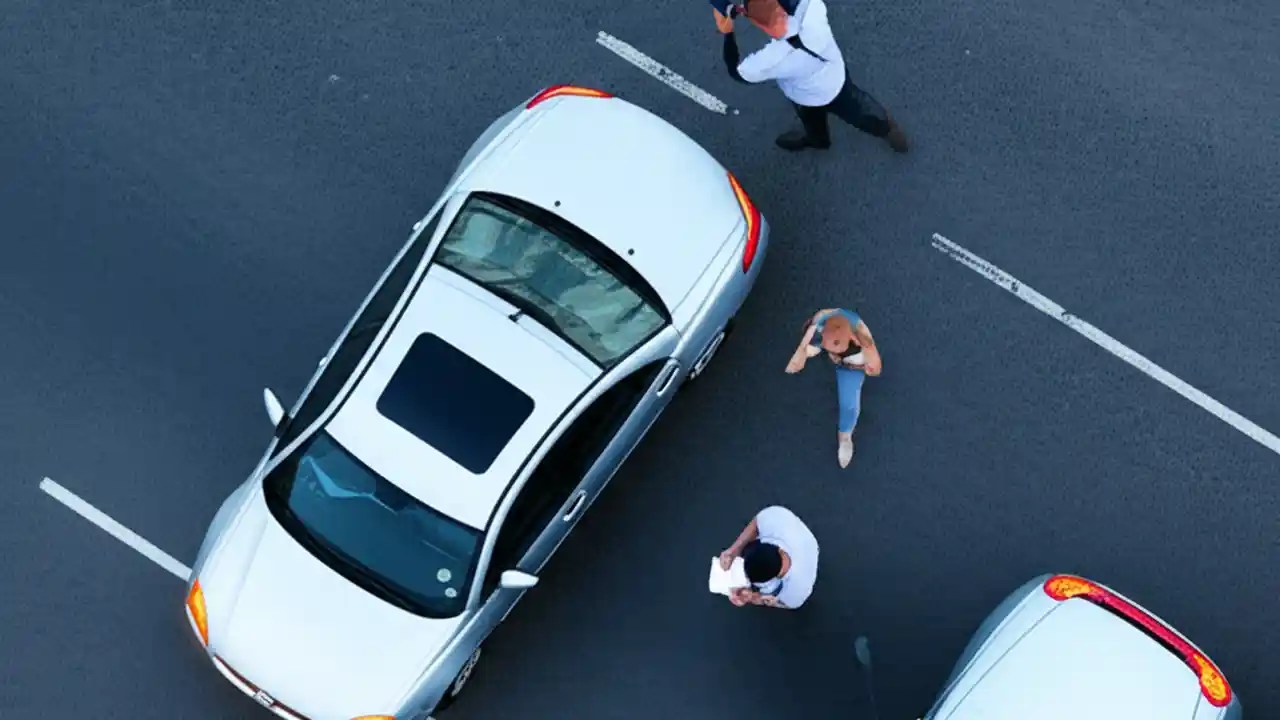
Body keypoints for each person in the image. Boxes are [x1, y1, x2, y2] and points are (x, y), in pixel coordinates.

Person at [713, 0, 908, 153]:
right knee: (862, 109)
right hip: (836, 79)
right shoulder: (812, 8)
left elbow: (736, 72)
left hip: (806, 97)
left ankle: (819, 142)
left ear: (759, 25)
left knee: (813, 124)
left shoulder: (769, 60)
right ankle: (889, 131)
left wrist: (728, 33)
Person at [786, 307, 881, 467]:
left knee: (849, 406)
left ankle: (845, 436)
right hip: (838, 350)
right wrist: (806, 349)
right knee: (814, 345)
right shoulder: (821, 327)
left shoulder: (864, 343)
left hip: (852, 366)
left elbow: (875, 369)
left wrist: (856, 367)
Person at [718, 505, 820, 610]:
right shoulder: (775, 518)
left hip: (808, 551)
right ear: (779, 550)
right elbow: (757, 522)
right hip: (803, 540)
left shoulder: (797, 590)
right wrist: (733, 550)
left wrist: (757, 599)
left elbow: (786, 604)